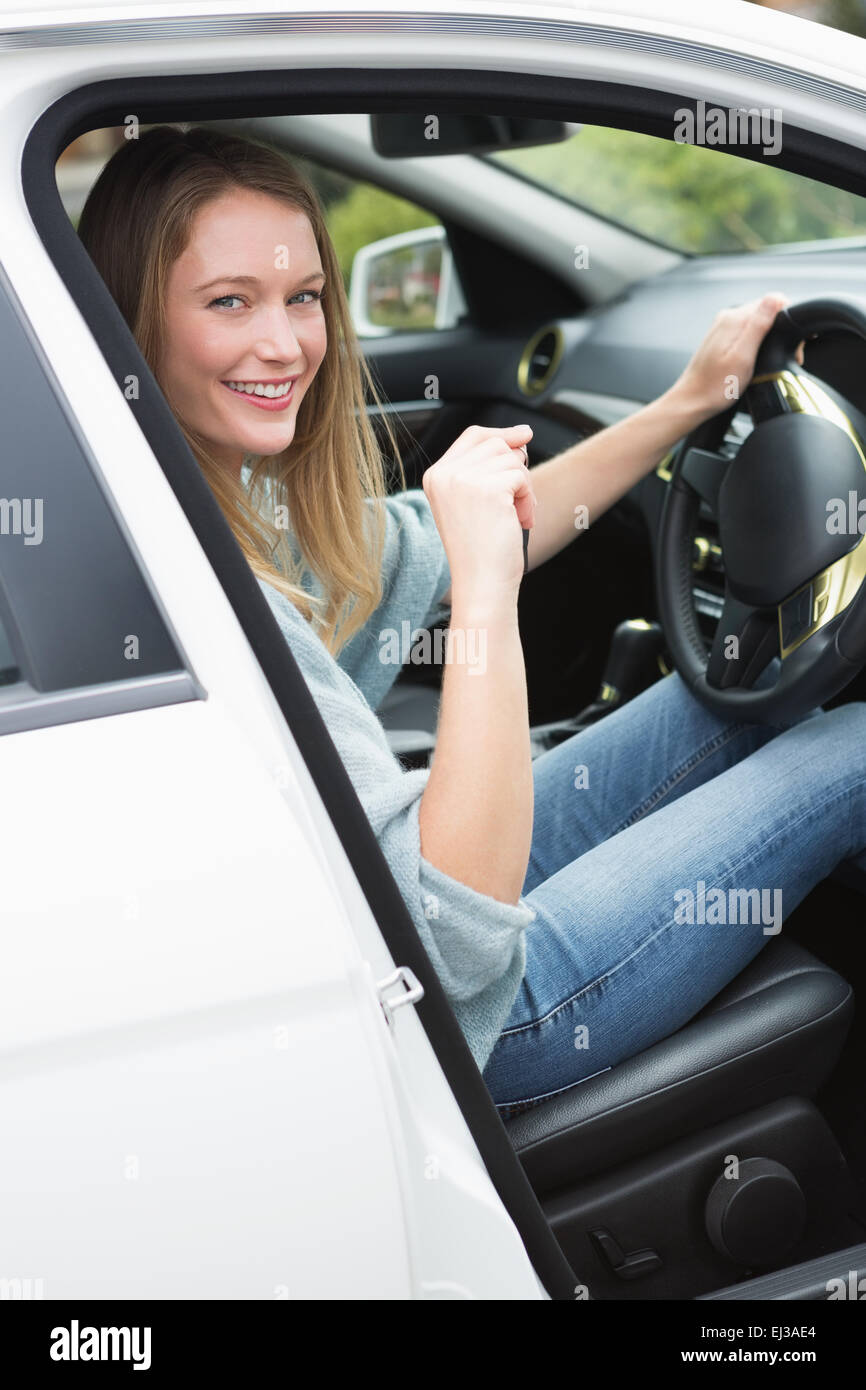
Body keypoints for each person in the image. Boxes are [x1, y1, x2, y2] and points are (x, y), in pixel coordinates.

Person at [77, 124, 866, 1117]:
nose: (282, 345)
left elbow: (453, 533)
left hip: (380, 907)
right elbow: (453, 957)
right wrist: (486, 590)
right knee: (853, 748)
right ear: (130, 323)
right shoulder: (210, 592)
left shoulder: (224, 512)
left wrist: (682, 404)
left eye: (303, 298)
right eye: (227, 302)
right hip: (455, 1014)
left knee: (746, 699)